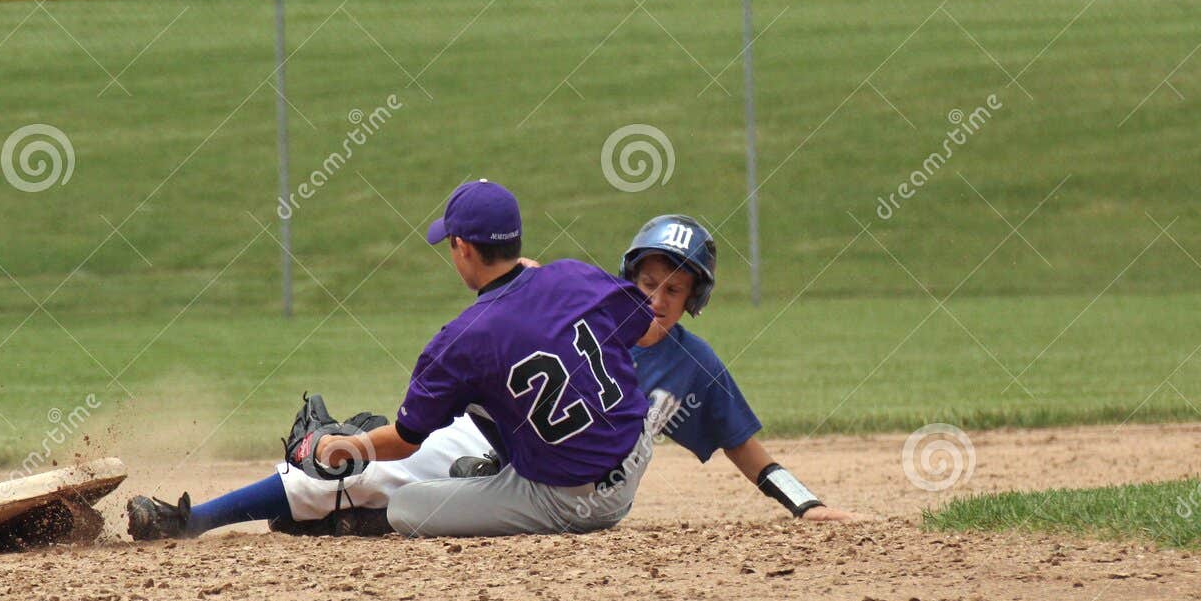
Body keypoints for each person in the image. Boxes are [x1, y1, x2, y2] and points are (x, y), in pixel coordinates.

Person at [126, 210, 861, 540]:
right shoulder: (580, 306)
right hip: (502, 449)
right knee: (359, 469)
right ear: (627, 273)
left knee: (392, 489)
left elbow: (745, 448)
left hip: (568, 493)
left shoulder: (690, 365)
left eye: (675, 290)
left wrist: (806, 505)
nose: (656, 299)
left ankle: (340, 508)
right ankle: (192, 521)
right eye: (648, 280)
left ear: (692, 301)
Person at [130, 179, 658, 539]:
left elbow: (405, 440)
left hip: (568, 500)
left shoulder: (463, 339)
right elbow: (642, 323)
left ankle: (200, 522)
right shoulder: (573, 276)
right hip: (633, 455)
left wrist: (344, 445)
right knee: (473, 411)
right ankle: (199, 519)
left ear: (462, 248)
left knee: (404, 503)